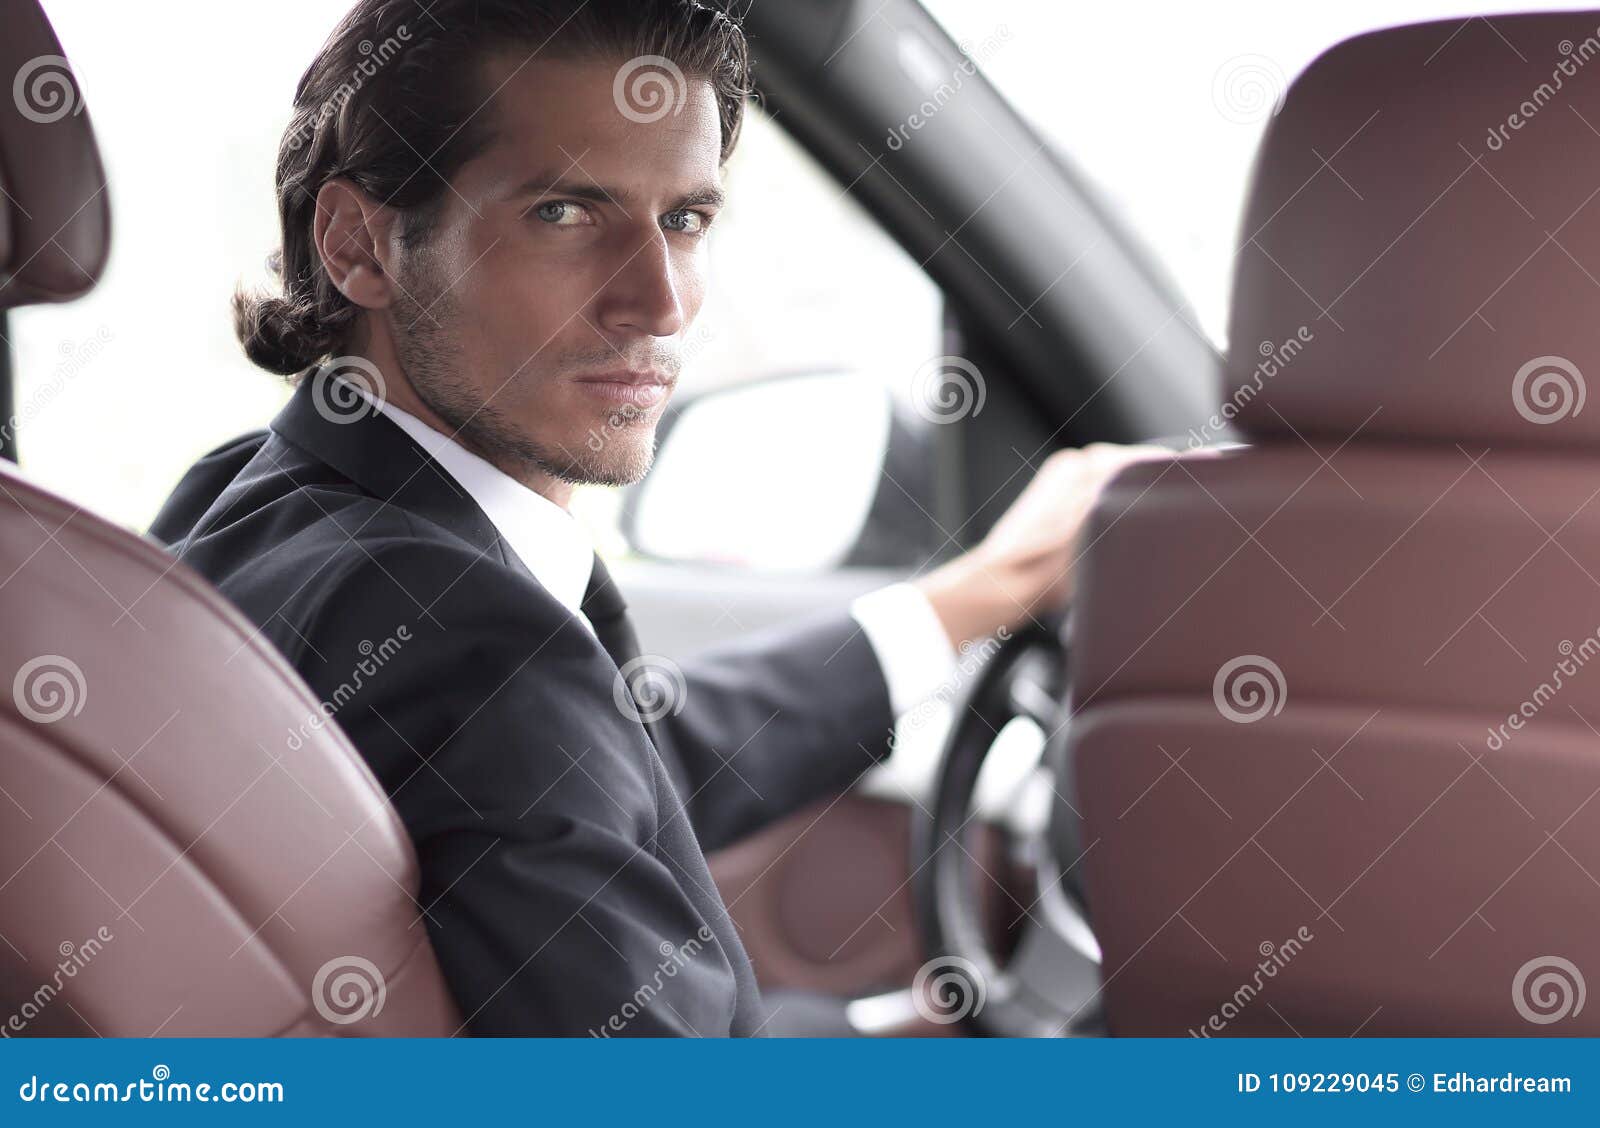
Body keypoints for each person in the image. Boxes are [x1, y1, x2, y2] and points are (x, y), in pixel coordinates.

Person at [156, 0, 1156, 1035]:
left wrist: (971, 600)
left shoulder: (252, 505)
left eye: (683, 220)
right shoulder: (475, 645)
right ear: (361, 244)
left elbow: (597, 769)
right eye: (565, 214)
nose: (661, 300)